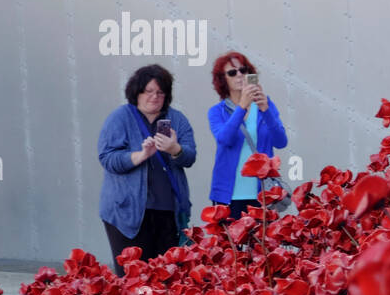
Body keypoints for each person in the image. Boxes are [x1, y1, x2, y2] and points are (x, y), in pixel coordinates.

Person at [97, 64, 197, 276]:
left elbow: (190, 157)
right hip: (126, 213)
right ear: (137, 92)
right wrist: (140, 155)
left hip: (168, 211)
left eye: (160, 92)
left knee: (167, 277)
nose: (155, 97)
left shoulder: (176, 119)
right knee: (133, 278)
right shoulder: (120, 117)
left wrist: (174, 149)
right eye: (149, 91)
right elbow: (107, 158)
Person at [208, 51, 288, 221]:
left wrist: (266, 111)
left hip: (262, 194)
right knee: (231, 246)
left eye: (243, 70)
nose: (239, 76)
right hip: (229, 195)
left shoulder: (265, 104)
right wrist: (241, 107)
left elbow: (281, 141)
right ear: (223, 80)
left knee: (262, 246)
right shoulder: (217, 112)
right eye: (232, 72)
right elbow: (224, 139)